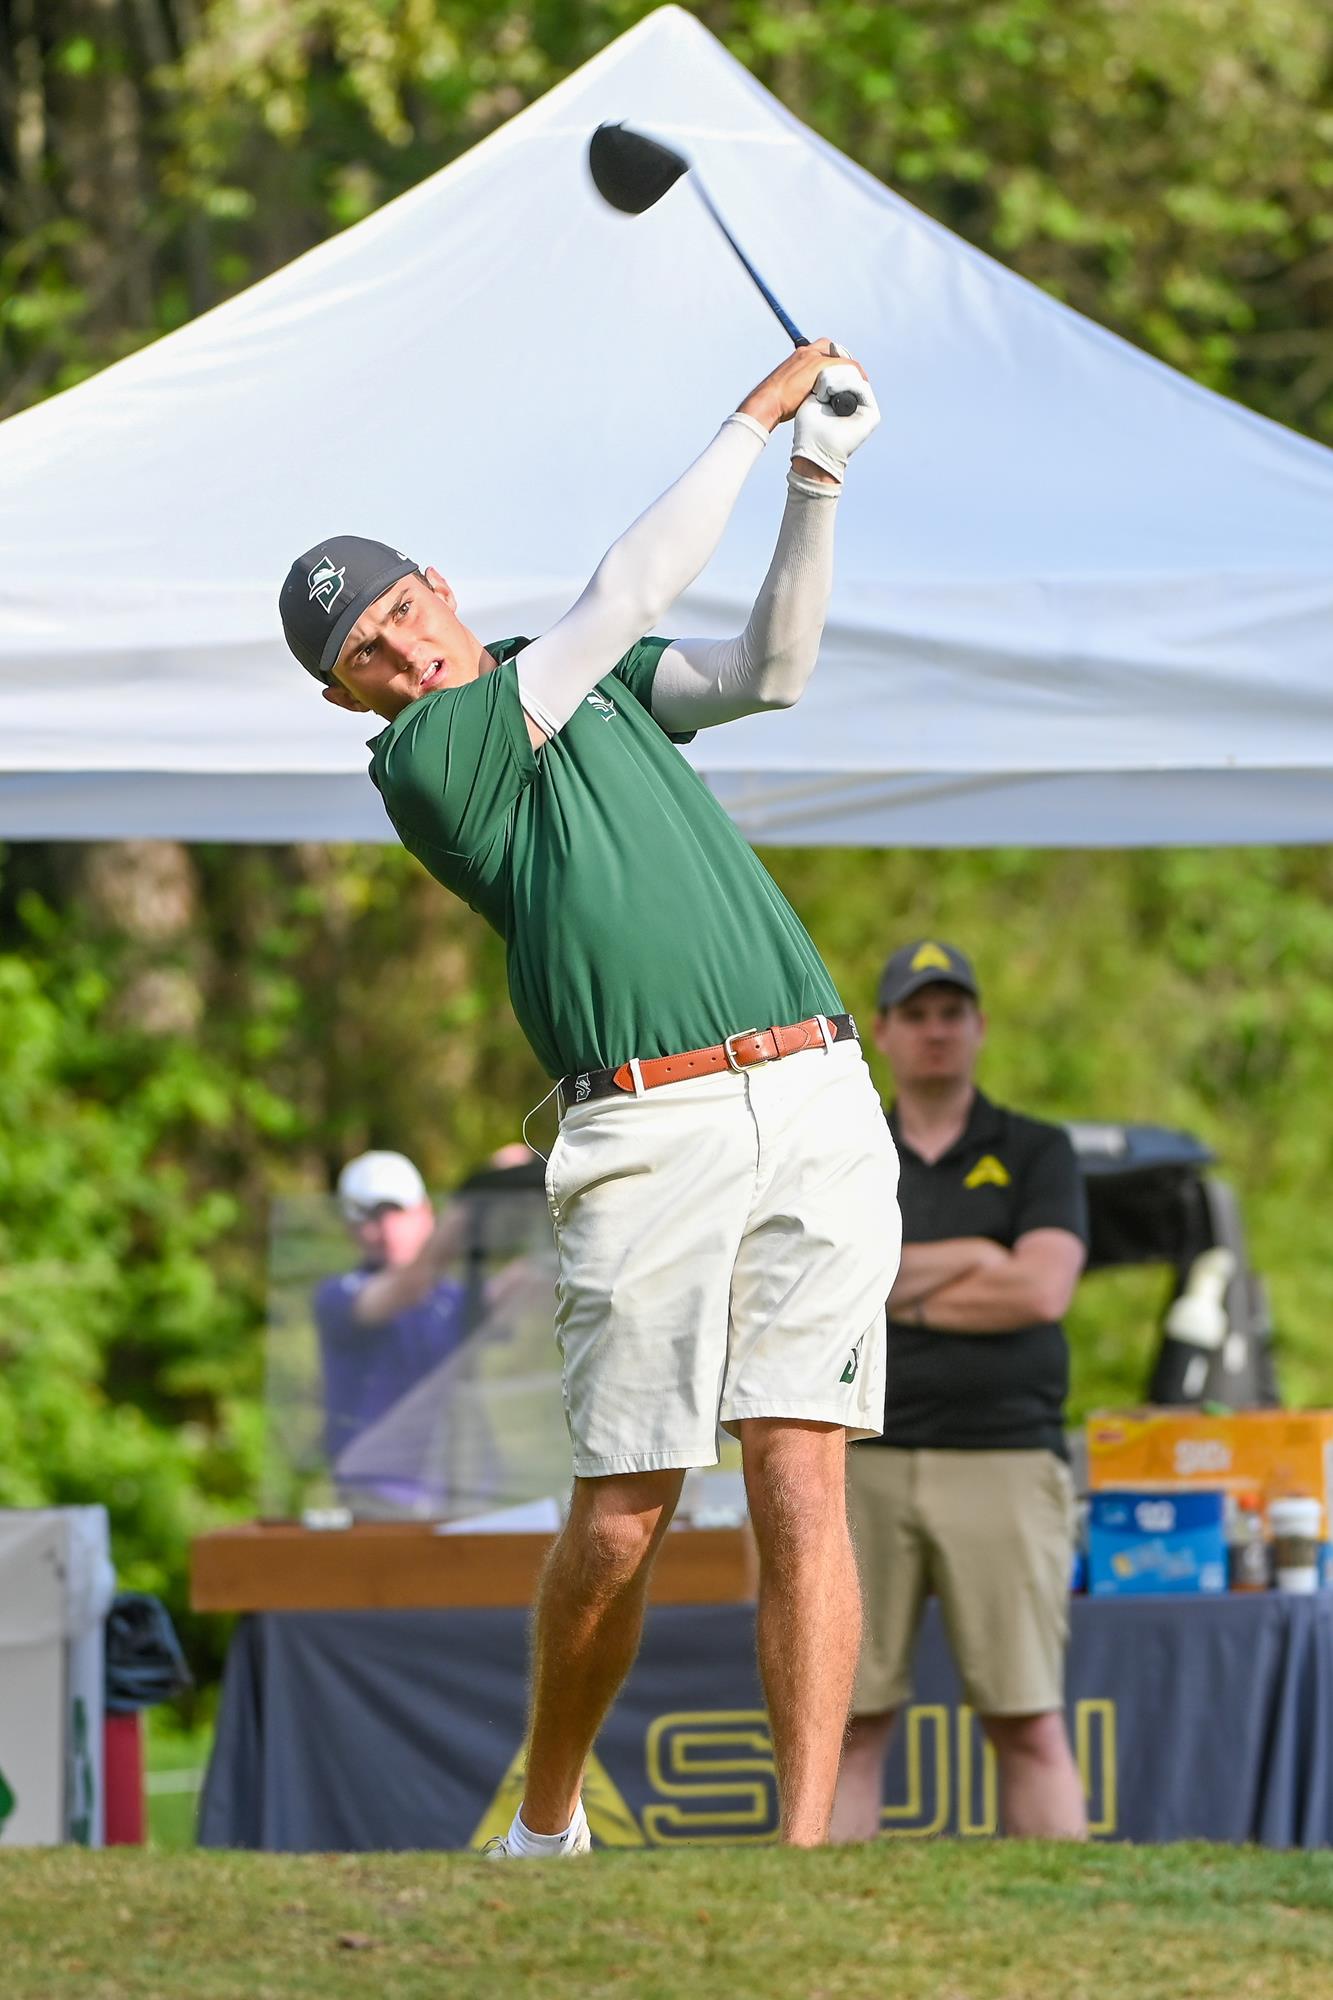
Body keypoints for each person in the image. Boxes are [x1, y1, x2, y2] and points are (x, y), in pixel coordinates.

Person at [278, 342, 900, 1853]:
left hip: (813, 1089)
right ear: (347, 693)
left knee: (799, 1478)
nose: (404, 650)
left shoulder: (600, 687)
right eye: (364, 652)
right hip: (646, 1131)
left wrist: (816, 479)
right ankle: (547, 1821)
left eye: (403, 612)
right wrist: (757, 414)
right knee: (624, 1512)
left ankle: (799, 1861)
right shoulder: (434, 761)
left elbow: (769, 673)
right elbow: (622, 592)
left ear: (436, 583)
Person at [830, 940, 1089, 1842]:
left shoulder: (1037, 1150)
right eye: (916, 1015)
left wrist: (892, 1291)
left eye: (951, 1014)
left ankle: (1061, 1934)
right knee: (847, 1722)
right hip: (860, 1459)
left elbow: (1041, 1289)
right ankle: (822, 1932)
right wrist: (979, 1258)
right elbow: (815, 1285)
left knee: (1026, 1717)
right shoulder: (845, 1152)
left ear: (978, 1027)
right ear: (883, 1032)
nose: (935, 1032)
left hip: (1007, 1461)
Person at [314, 1149, 472, 1513]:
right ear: (349, 1229)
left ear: (424, 1215)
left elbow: (516, 1296)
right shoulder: (338, 1296)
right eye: (368, 1217)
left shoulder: (451, 1298)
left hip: (460, 1490)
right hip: (374, 1495)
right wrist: (474, 1203)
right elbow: (409, 1286)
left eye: (396, 1212)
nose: (383, 1230)